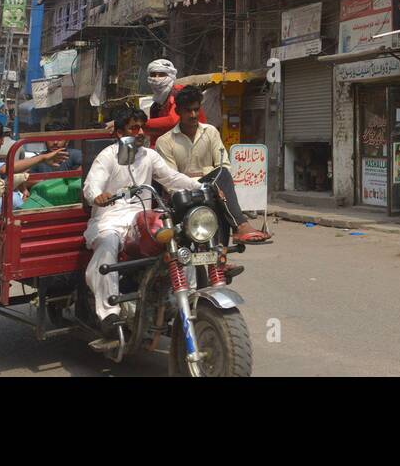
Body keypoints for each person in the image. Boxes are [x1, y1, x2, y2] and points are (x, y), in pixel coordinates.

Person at [83, 106, 202, 335]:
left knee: (180, 237)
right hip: (110, 219)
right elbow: (92, 185)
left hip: (141, 219)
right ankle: (109, 313)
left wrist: (199, 185)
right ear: (119, 133)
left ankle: (187, 298)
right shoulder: (107, 156)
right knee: (107, 244)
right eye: (133, 128)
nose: (139, 132)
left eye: (142, 127)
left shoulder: (149, 155)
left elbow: (171, 178)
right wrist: (98, 195)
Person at [154, 87, 271, 244]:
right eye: (188, 111)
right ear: (178, 111)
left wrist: (209, 184)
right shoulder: (165, 141)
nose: (193, 115)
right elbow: (172, 180)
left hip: (211, 191)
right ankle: (241, 226)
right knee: (219, 180)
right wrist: (204, 181)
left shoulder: (211, 132)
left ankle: (221, 258)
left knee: (220, 185)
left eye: (196, 110)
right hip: (182, 196)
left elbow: (224, 165)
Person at [0, 118, 66, 214]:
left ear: (2, 140)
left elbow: (11, 174)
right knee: (12, 199)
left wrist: (23, 189)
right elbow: (5, 169)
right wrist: (43, 158)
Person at [141, 58, 204, 141]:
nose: (156, 78)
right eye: (153, 75)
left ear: (171, 76)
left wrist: (140, 124)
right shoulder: (156, 106)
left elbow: (173, 121)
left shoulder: (179, 93)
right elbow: (155, 134)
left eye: (161, 74)